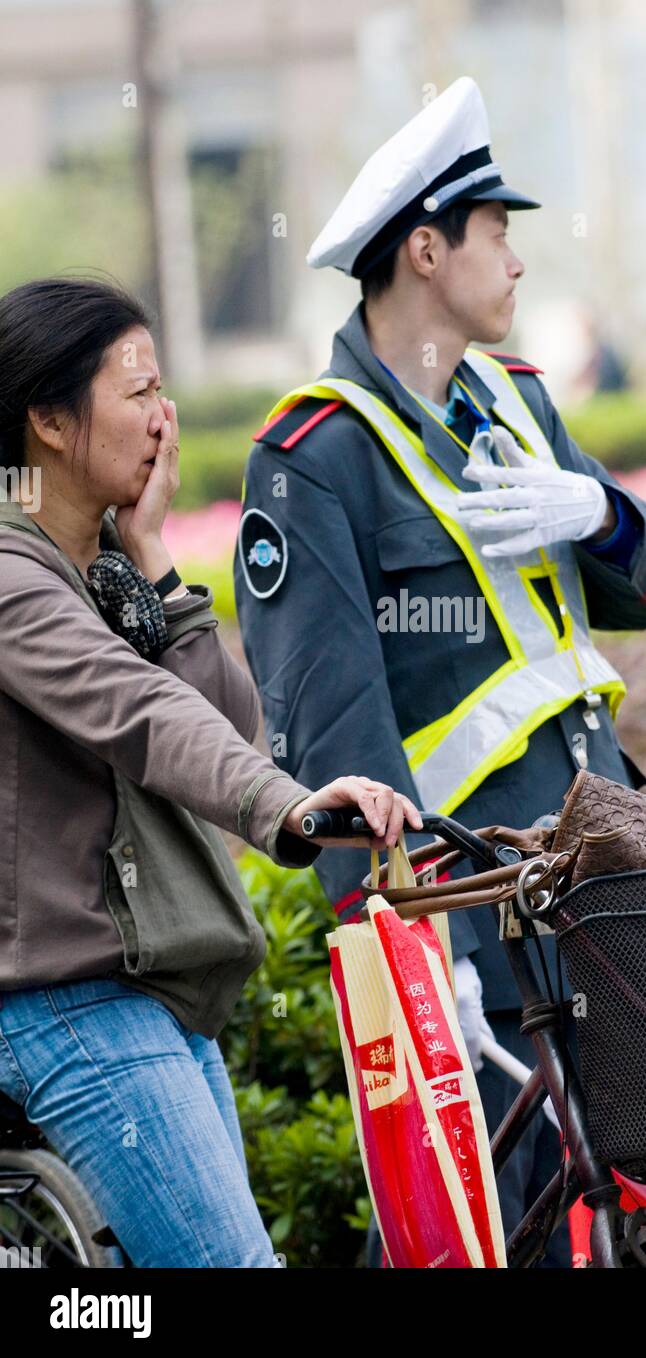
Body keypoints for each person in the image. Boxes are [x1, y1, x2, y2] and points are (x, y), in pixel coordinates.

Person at [234, 77, 646, 1267]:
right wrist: (404, 964)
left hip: (595, 884)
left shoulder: (521, 408)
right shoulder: (312, 458)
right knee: (487, 1233)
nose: (517, 264)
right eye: (499, 234)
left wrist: (597, 512)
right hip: (464, 924)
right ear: (426, 251)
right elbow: (331, 732)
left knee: (636, 1220)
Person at [0, 277, 421, 1268]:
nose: (165, 420)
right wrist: (293, 807)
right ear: (52, 422)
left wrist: (149, 553)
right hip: (72, 1003)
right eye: (139, 392)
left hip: (153, 995)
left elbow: (228, 724)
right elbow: (141, 714)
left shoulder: (98, 568)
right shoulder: (14, 579)